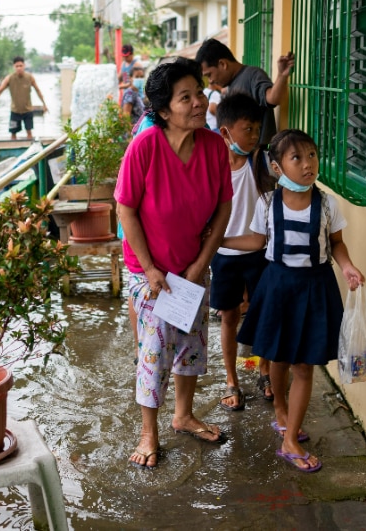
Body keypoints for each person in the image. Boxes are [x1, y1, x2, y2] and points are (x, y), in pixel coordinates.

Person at [222, 129, 365, 473]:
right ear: (276, 167)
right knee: (278, 357)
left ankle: (289, 442)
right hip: (278, 286)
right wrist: (219, 241)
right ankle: (283, 415)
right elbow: (257, 241)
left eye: (312, 155)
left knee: (304, 364)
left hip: (315, 287)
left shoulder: (328, 203)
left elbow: (337, 243)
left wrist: (347, 267)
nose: (307, 165)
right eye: (296, 158)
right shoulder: (268, 203)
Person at [115, 57, 233, 469]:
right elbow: (125, 209)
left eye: (200, 93)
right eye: (187, 97)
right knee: (155, 348)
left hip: (192, 268)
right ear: (165, 110)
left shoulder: (215, 146)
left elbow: (222, 209)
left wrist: (201, 264)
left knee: (192, 344)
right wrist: (149, 269)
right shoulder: (145, 146)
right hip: (151, 273)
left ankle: (182, 415)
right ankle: (149, 432)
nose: (200, 102)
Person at [210, 94, 276, 410]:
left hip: (258, 252)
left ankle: (263, 372)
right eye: (247, 129)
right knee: (229, 317)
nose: (253, 136)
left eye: (256, 129)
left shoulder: (260, 161)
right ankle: (232, 380)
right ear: (225, 132)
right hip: (223, 256)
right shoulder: (211, 166)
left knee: (263, 314)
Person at [196, 38, 294, 146]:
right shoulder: (230, 86)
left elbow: (273, 98)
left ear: (223, 64)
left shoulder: (252, 75)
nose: (211, 81)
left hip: (257, 155)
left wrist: (282, 75)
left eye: (209, 75)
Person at [0, 56, 49, 140]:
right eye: (17, 66)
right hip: (15, 111)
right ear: (14, 67)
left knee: (29, 132)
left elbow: (38, 91)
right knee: (13, 133)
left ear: (24, 66)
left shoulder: (29, 77)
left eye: (20, 66)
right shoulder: (9, 78)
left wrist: (44, 104)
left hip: (27, 110)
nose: (19, 68)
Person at [118, 61, 147, 127]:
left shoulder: (140, 93)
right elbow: (126, 120)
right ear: (131, 78)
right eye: (137, 77)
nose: (139, 79)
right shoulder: (130, 94)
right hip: (134, 134)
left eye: (141, 77)